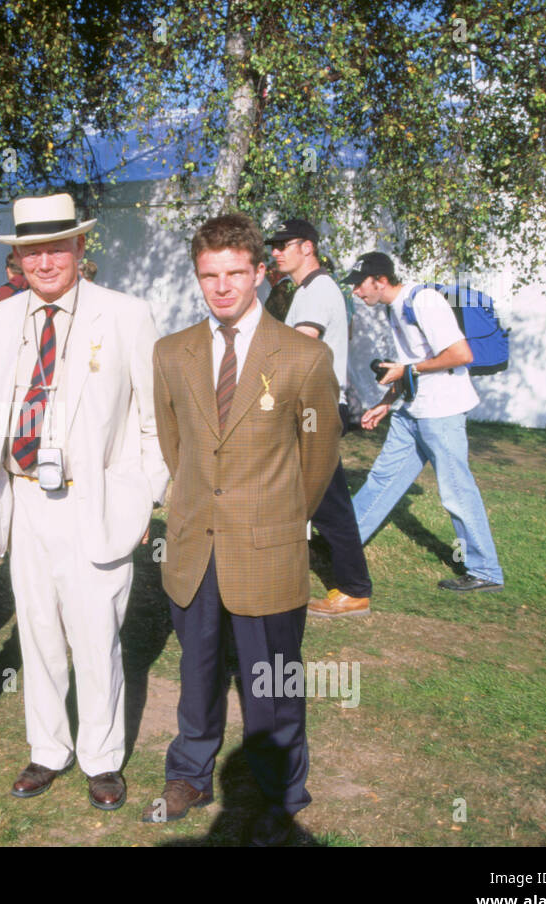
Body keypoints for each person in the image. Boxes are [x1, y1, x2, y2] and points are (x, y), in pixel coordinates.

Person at [144, 213, 340, 844]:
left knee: (271, 682)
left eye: (235, 273)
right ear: (198, 277)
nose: (222, 287)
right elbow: (177, 450)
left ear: (260, 272)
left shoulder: (305, 357)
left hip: (267, 550)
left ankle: (279, 796)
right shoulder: (171, 353)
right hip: (194, 546)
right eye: (209, 275)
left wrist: (275, 518)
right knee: (197, 672)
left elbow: (318, 458)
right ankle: (190, 772)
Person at [0, 193, 168, 810]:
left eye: (56, 246)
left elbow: (154, 421)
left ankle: (102, 757)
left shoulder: (125, 315)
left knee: (95, 639)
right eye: (31, 250)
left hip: (96, 502)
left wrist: (142, 494)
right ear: (19, 259)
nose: (45, 260)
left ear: (80, 248)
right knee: (36, 634)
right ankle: (47, 750)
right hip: (26, 499)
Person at [343, 251, 504, 593]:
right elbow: (411, 364)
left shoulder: (425, 301)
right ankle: (343, 544)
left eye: (359, 285)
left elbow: (461, 355)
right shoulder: (394, 308)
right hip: (412, 410)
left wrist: (408, 371)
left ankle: (485, 571)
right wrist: (386, 404)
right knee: (382, 479)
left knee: (456, 491)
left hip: (442, 412)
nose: (356, 292)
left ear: (381, 281)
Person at [266, 219, 372, 618]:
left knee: (328, 501)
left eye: (284, 244)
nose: (276, 251)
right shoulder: (308, 290)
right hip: (313, 404)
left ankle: (354, 589)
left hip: (315, 407)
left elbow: (300, 347)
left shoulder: (316, 290)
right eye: (272, 245)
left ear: (307, 247)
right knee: (306, 494)